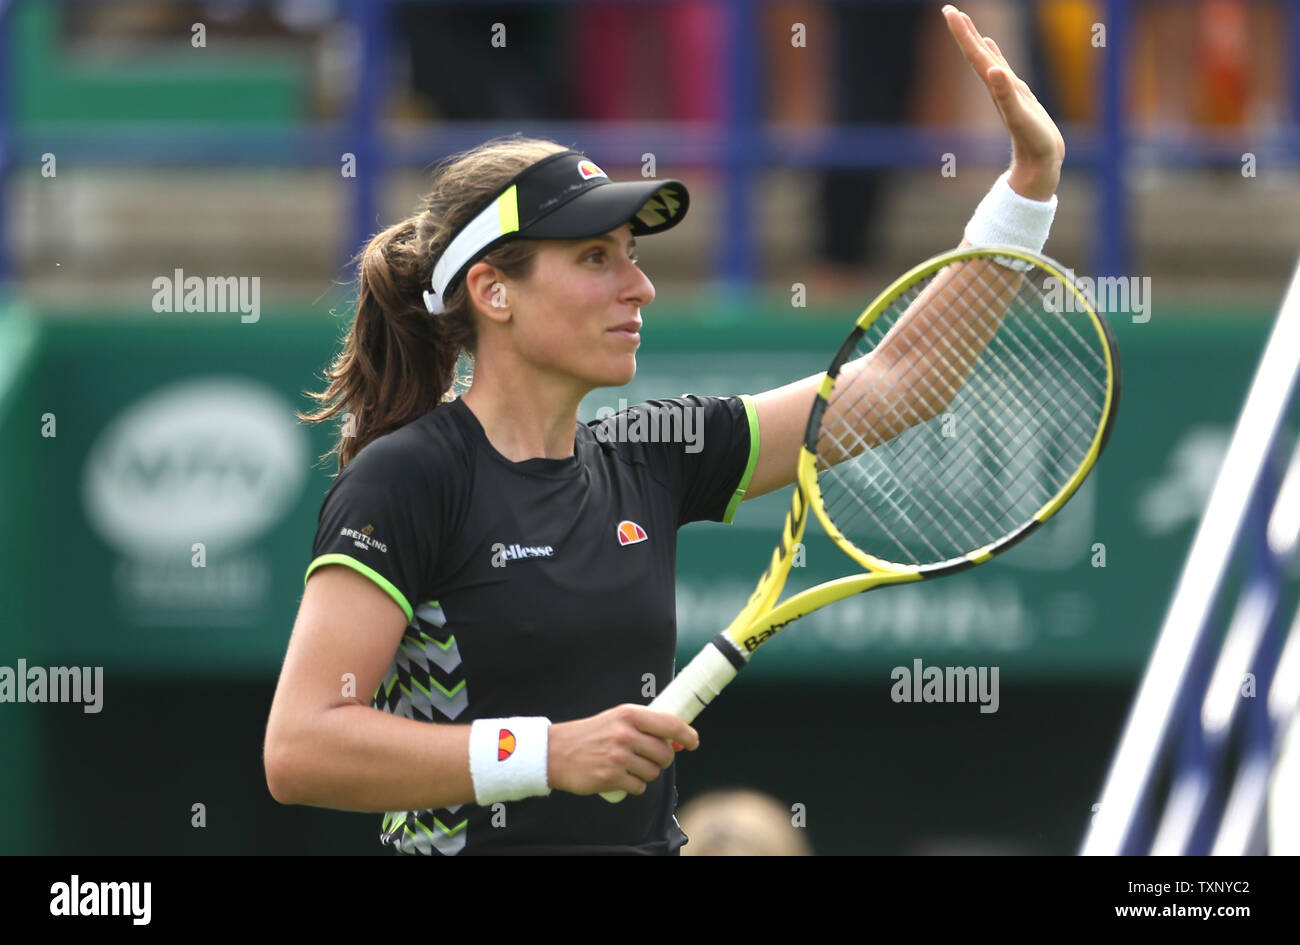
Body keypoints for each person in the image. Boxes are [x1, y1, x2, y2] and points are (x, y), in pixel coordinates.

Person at [263, 4, 1066, 855]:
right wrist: (548, 751)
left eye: (632, 255)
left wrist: (1030, 185)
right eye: (595, 258)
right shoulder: (410, 479)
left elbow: (907, 379)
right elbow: (301, 746)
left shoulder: (653, 454)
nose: (637, 287)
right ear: (494, 291)